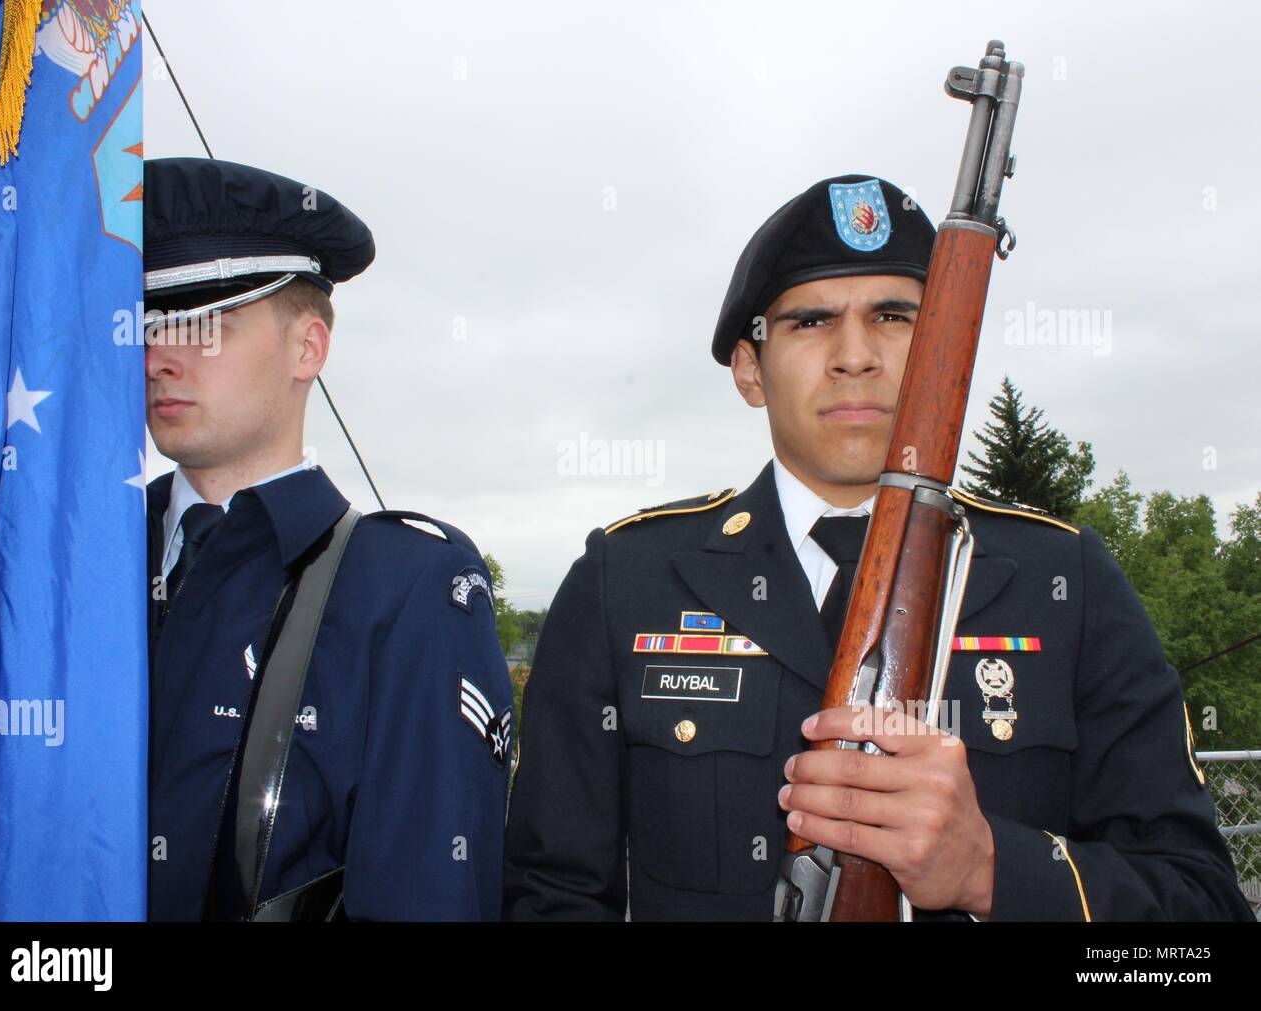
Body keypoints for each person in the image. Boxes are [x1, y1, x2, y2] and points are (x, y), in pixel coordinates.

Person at [502, 174, 1253, 921]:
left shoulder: (1068, 581)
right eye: (810, 322)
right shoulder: (625, 584)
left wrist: (992, 867)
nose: (855, 355)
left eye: (894, 317)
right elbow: (550, 896)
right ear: (748, 369)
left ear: (942, 352)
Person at [143, 158, 512, 921]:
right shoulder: (71, 560)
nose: (160, 357)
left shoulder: (406, 587)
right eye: (145, 324)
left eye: (203, 324)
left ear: (307, 349)